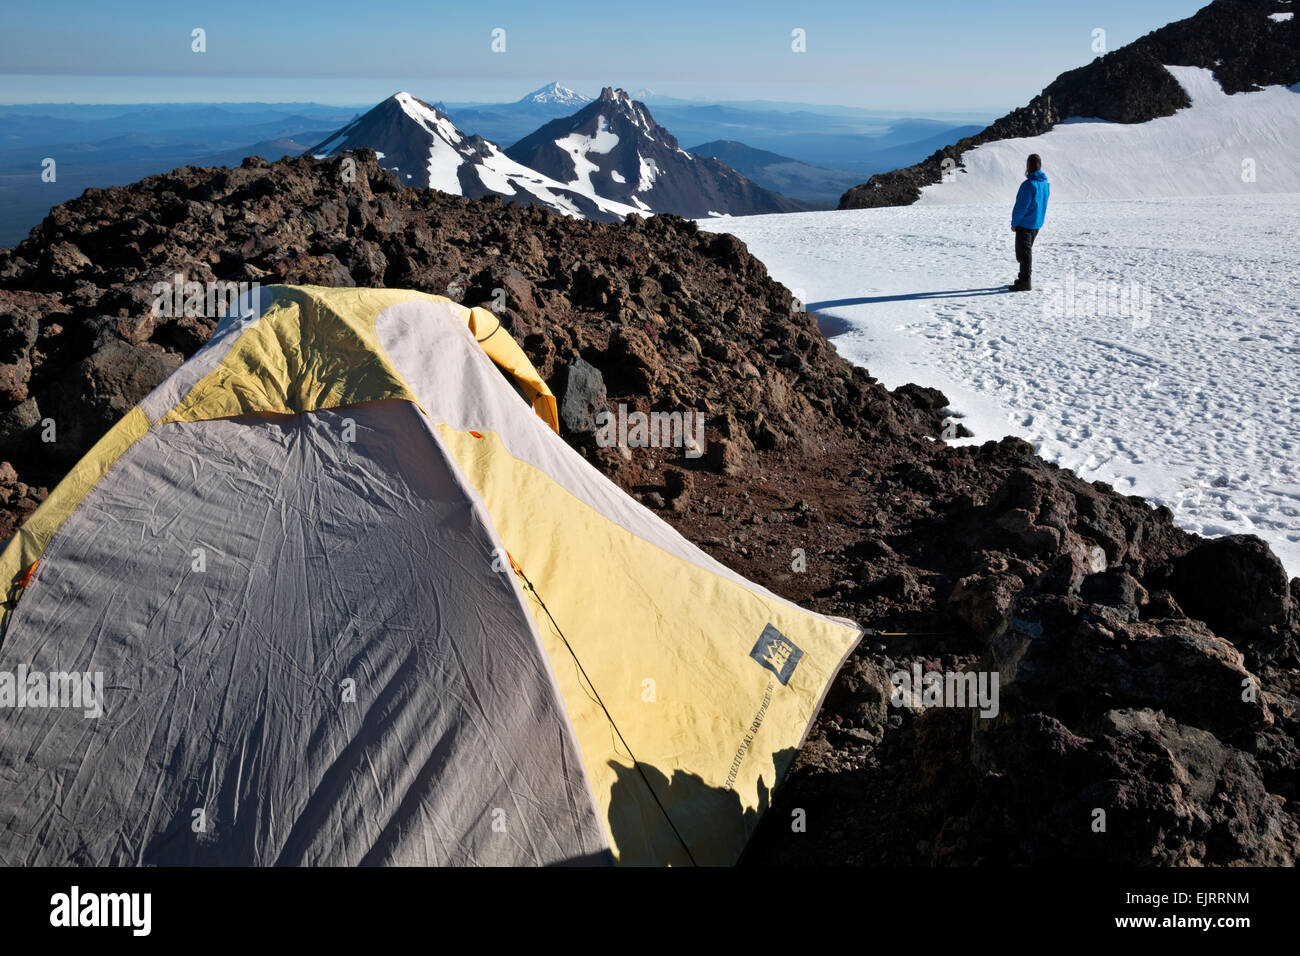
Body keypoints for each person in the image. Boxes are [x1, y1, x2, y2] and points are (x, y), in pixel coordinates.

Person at [1009, 153, 1049, 291]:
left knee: (1023, 254)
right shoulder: (1045, 184)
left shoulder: (1029, 185)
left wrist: (1015, 223)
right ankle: (1023, 279)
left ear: (1028, 165)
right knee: (1025, 252)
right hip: (1036, 223)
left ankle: (1025, 281)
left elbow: (1021, 206)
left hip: (1025, 224)